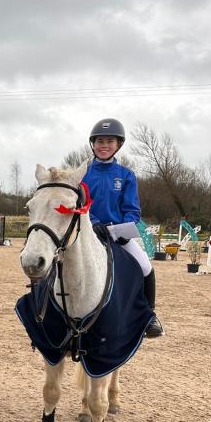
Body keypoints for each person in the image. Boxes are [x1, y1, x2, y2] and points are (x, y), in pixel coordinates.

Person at [84, 118, 163, 338]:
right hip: (90, 232)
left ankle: (149, 316)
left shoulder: (127, 175)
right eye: (100, 141)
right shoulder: (84, 174)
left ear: (118, 145)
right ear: (93, 144)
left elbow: (132, 209)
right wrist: (95, 222)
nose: (104, 145)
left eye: (110, 141)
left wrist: (123, 228)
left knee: (146, 267)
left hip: (119, 234)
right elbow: (82, 204)